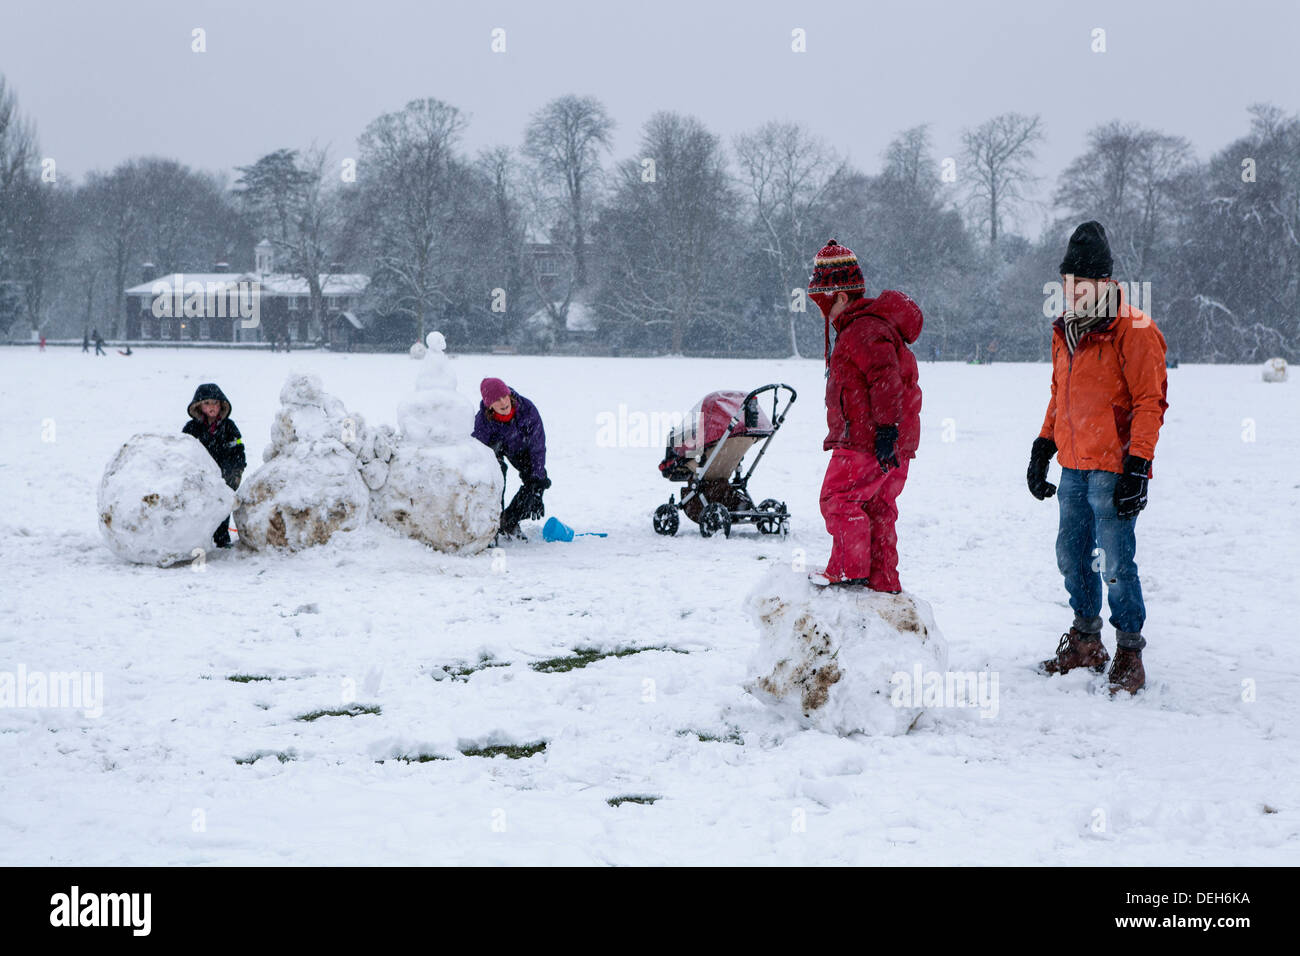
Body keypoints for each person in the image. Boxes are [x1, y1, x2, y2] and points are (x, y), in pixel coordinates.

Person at [1028, 221, 1168, 695]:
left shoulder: (1135, 328)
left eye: (1082, 284)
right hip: (1073, 464)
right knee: (1071, 556)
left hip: (1113, 468)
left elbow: (1150, 401)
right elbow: (1060, 393)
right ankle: (1087, 641)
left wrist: (1138, 465)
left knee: (1114, 562)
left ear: (1105, 282)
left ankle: (1129, 651)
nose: (1073, 292)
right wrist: (1043, 445)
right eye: (1068, 283)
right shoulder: (1065, 330)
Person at [806, 239, 923, 592]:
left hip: (866, 441)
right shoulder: (870, 327)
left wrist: (885, 429)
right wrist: (892, 435)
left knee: (837, 499)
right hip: (890, 443)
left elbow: (885, 379)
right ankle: (882, 580)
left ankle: (847, 569)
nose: (823, 314)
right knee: (878, 507)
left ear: (841, 298)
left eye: (824, 305)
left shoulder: (862, 330)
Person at [471, 377, 550, 542]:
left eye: (504, 396)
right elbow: (477, 452)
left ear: (509, 395)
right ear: (489, 405)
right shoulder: (483, 421)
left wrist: (536, 483)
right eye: (496, 400)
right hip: (496, 451)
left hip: (523, 449)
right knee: (494, 478)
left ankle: (510, 521)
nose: (502, 402)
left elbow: (538, 447)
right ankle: (493, 525)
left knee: (536, 481)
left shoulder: (527, 410)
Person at [182, 383, 247, 548]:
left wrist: (236, 469)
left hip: (224, 475)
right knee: (199, 507)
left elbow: (238, 448)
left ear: (221, 405)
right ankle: (196, 539)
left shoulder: (229, 427)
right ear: (199, 406)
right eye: (207, 403)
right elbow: (182, 451)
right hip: (200, 475)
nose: (211, 407)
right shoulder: (191, 428)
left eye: (215, 403)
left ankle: (222, 537)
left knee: (222, 505)